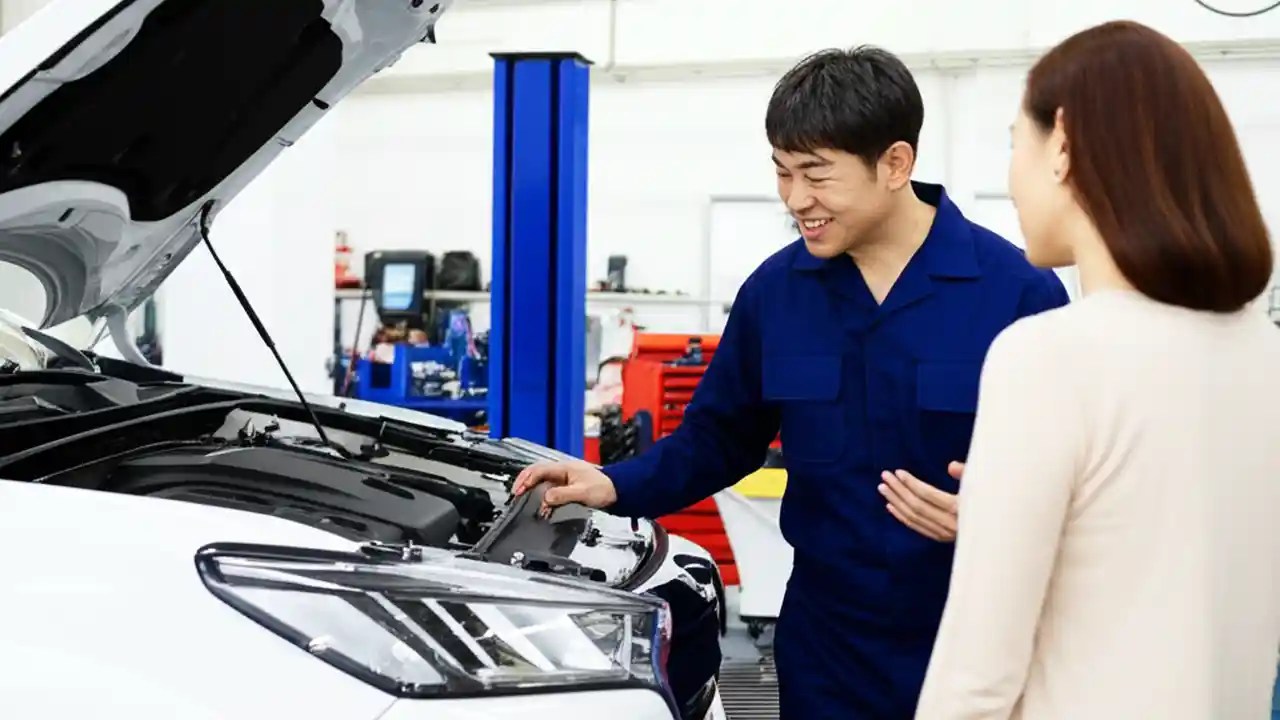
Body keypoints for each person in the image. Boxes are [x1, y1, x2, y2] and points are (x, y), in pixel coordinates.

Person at [515, 46, 1069, 718]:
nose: (795, 200)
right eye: (782, 173)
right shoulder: (776, 294)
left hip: (976, 646)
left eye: (816, 175)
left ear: (895, 164)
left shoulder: (1016, 293)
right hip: (826, 653)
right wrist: (614, 483)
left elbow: (1080, 482)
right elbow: (720, 438)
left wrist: (997, 517)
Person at [912, 20, 1280, 720]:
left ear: (1064, 146)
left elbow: (976, 680)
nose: (1010, 175)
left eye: (1014, 142)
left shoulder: (1047, 356)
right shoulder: (1264, 354)